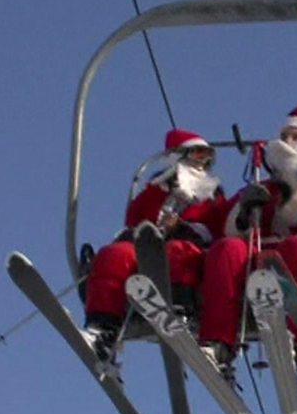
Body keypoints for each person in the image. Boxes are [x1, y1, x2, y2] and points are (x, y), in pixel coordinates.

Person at [198, 104, 297, 371]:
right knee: (227, 248)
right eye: (284, 135)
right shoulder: (260, 188)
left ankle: (295, 339)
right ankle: (219, 342)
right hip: (257, 259)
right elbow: (221, 230)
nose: (287, 141)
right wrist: (243, 214)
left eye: (296, 136)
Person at [82, 128, 228, 372]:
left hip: (190, 253)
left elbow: (221, 226)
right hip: (149, 247)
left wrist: (184, 227)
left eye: (207, 157)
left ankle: (183, 312)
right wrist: (160, 192)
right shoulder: (156, 189)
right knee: (114, 255)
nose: (204, 163)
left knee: (178, 251)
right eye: (198, 154)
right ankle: (103, 329)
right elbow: (135, 218)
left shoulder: (212, 195)